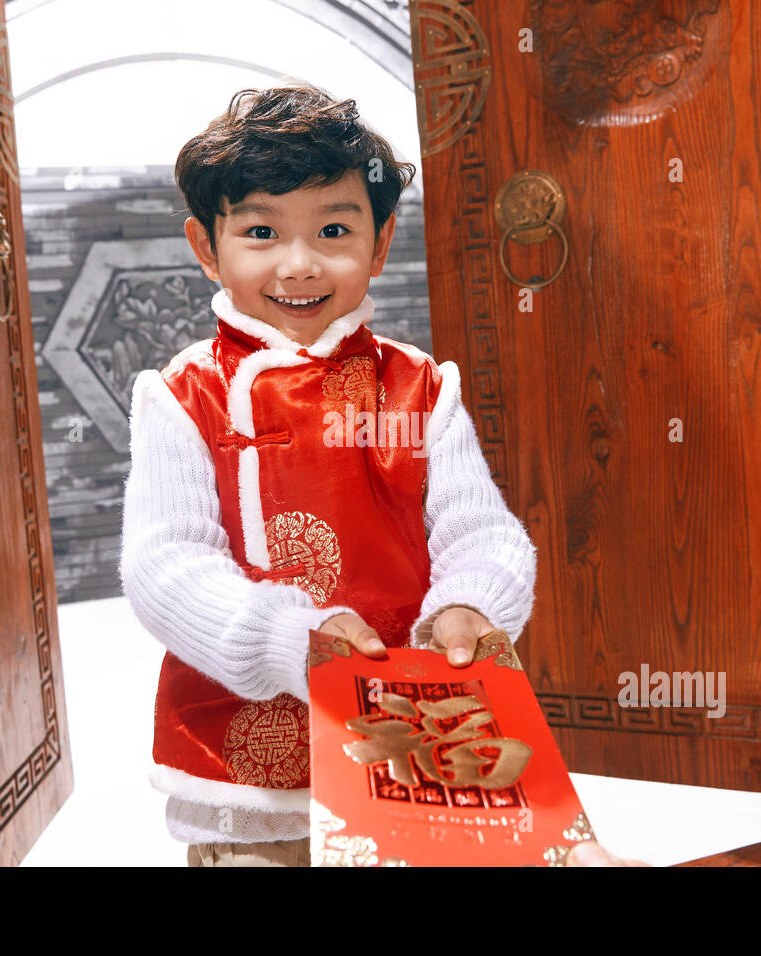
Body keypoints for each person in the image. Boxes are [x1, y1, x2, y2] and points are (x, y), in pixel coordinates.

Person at [119, 84, 539, 867]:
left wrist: (471, 606)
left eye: (335, 229)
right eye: (262, 231)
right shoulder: (182, 395)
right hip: (248, 754)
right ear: (206, 247)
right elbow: (163, 566)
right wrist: (288, 637)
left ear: (380, 244)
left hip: (413, 735)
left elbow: (479, 530)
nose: (300, 263)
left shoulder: (421, 387)